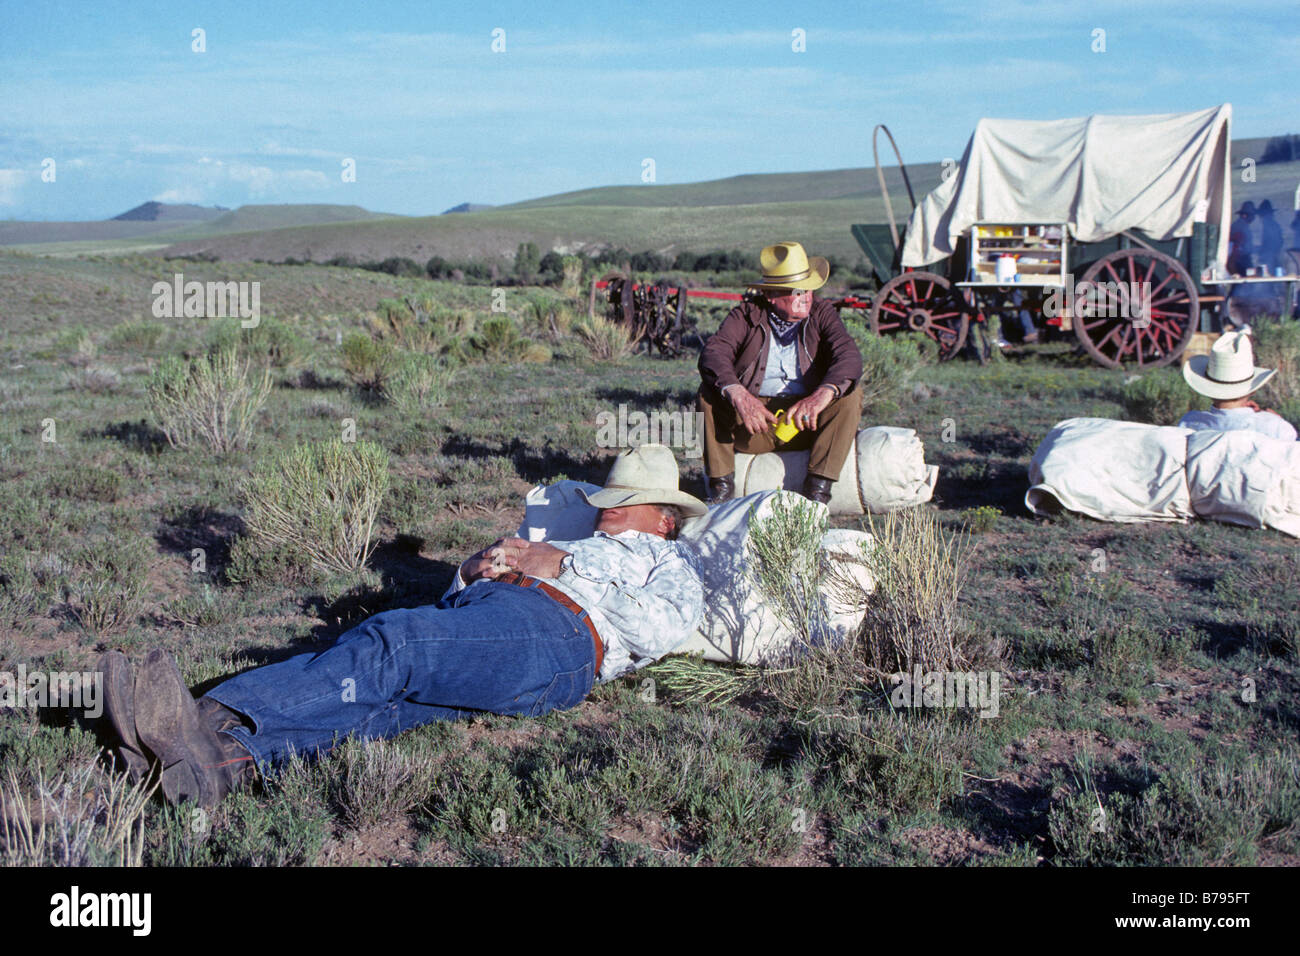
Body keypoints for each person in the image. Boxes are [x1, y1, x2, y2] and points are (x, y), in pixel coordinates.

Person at [98, 444, 707, 808]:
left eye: (631, 499)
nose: (613, 507)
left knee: (397, 642)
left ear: (666, 520)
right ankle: (214, 766)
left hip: (562, 640)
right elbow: (457, 600)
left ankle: (200, 716)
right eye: (612, 496)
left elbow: (659, 630)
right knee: (390, 704)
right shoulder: (580, 538)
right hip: (500, 618)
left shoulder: (670, 565)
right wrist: (471, 572)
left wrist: (563, 564)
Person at [697, 241, 864, 505]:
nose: (806, 297)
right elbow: (714, 353)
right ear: (771, 295)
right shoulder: (746, 315)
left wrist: (822, 394)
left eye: (808, 289)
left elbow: (848, 355)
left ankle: (817, 494)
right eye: (797, 291)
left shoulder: (823, 313)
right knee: (709, 394)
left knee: (849, 396)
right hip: (755, 422)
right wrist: (739, 394)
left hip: (805, 421)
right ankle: (721, 490)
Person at [1179, 330, 1297, 441]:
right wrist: (1277, 420)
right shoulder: (1275, 428)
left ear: (1208, 389)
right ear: (1253, 391)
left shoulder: (1189, 423)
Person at [1227, 201, 1256, 277]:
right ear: (1245, 215)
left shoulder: (1243, 225)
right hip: (1240, 260)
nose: (1253, 217)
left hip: (1243, 259)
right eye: (1252, 215)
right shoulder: (1239, 226)